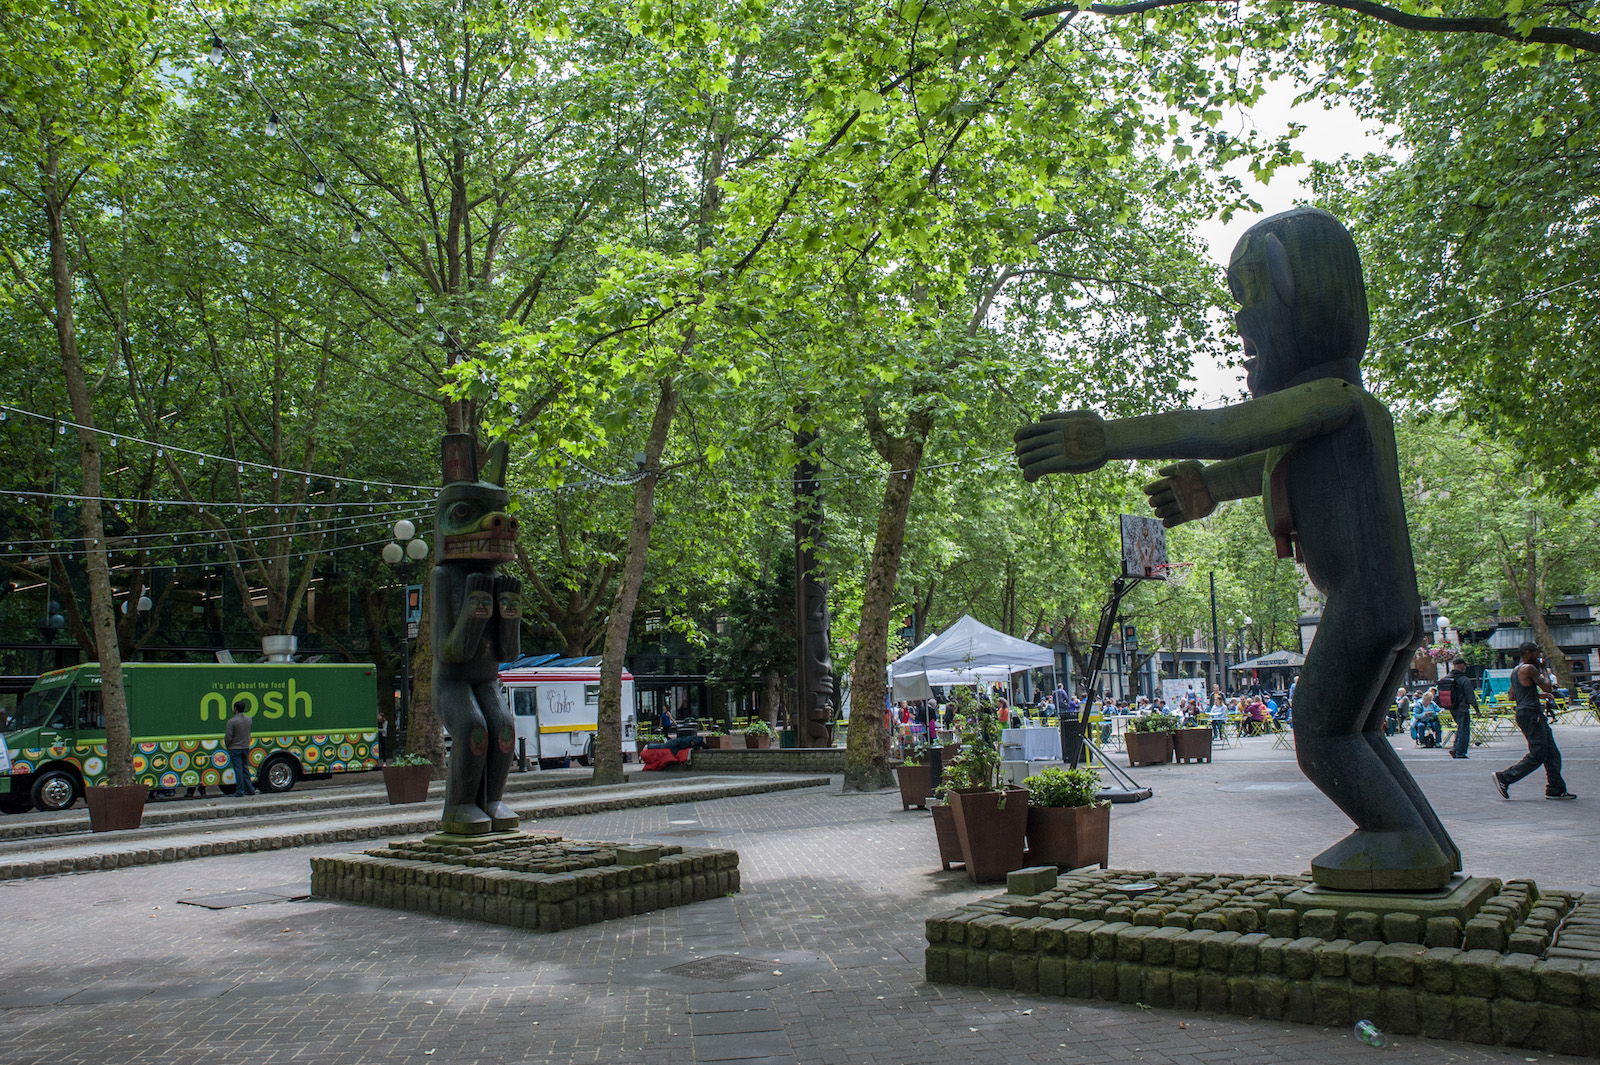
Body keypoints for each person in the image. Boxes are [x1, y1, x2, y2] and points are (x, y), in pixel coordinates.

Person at [1494, 642, 1576, 800]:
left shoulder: (1515, 671)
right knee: (1538, 753)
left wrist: (1536, 695)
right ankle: (1505, 777)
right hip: (1532, 714)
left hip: (1526, 712)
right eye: (1536, 653)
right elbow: (1547, 687)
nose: (1538, 656)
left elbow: (1512, 696)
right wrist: (1544, 669)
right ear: (1527, 652)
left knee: (1552, 753)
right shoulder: (1529, 668)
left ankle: (1555, 788)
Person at [1445, 657, 1479, 759]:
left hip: (1452, 708)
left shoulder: (1448, 678)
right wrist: (1477, 709)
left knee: (1460, 728)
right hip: (1462, 708)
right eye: (1464, 665)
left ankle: (1455, 749)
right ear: (1460, 665)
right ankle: (1460, 752)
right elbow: (1470, 696)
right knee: (1464, 729)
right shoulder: (1464, 679)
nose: (1465, 667)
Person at [224, 698, 256, 798]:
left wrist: (228, 745)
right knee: (245, 768)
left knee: (238, 769)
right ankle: (250, 789)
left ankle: (240, 790)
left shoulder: (231, 721)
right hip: (245, 746)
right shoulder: (249, 719)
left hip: (234, 747)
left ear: (235, 709)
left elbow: (228, 737)